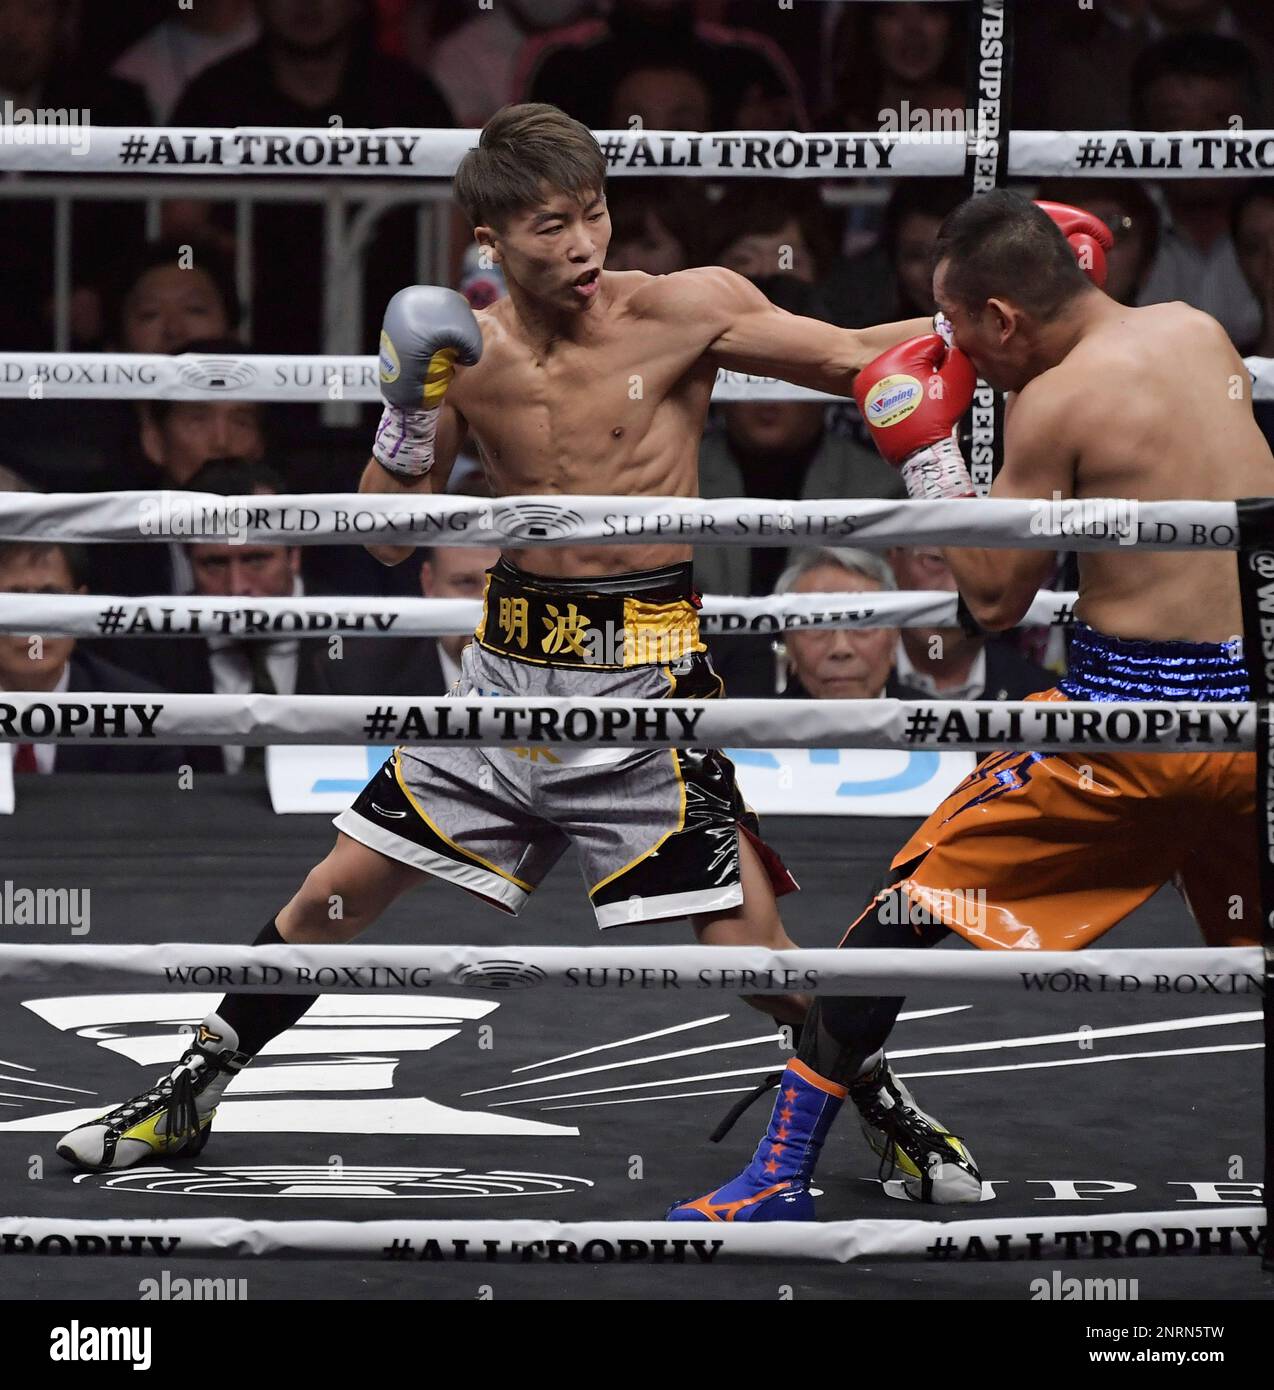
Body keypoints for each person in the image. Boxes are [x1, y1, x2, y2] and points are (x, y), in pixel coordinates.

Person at [55, 101, 937, 1174]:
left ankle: (889, 1107)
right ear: (488, 240)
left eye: (593, 216)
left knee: (748, 955)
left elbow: (854, 355)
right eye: (548, 227)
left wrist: (1006, 319)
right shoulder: (466, 354)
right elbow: (389, 540)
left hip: (644, 679)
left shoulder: (684, 309)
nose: (580, 246)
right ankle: (189, 1093)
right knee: (332, 895)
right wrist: (410, 411)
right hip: (505, 675)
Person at [669, 192, 1273, 1222]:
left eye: (955, 330)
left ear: (1004, 317)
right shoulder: (1195, 329)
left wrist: (927, 450)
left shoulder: (1053, 403)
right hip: (1251, 728)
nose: (954, 359)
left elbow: (992, 601)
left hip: (1122, 738)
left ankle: (776, 1175)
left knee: (891, 923)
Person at [0, 540, 183, 776]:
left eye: (51, 597)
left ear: (82, 606)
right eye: (14, 600)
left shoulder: (144, 721)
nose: (33, 623)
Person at [887, 546, 1055, 703]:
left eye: (977, 568)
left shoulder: (1047, 700)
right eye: (935, 559)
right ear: (893, 559)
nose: (953, 588)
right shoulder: (864, 691)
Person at [775, 549, 899, 702]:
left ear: (894, 639)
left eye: (861, 624)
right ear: (790, 646)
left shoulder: (934, 717)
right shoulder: (756, 723)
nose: (841, 649)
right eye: (818, 625)